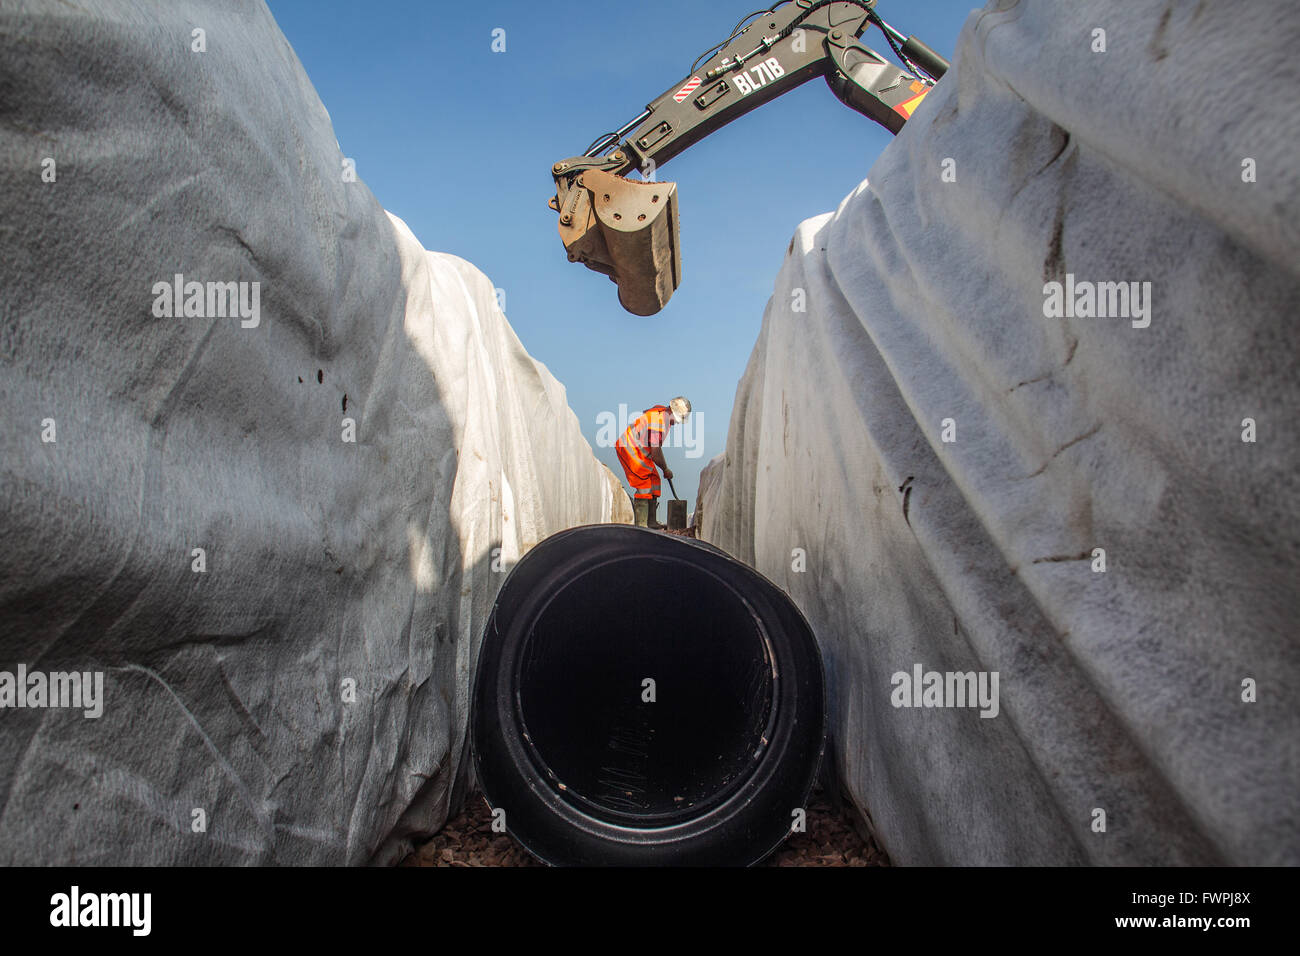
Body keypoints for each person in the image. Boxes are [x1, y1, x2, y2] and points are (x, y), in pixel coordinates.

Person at [615, 396, 691, 529]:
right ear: (672, 412)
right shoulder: (659, 422)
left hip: (639, 450)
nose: (677, 423)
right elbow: (656, 453)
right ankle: (642, 525)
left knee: (654, 479)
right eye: (677, 419)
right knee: (644, 482)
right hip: (629, 448)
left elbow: (655, 450)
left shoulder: (661, 416)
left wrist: (663, 469)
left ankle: (651, 522)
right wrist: (666, 469)